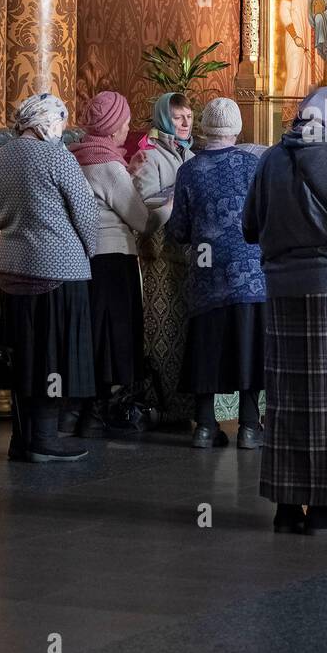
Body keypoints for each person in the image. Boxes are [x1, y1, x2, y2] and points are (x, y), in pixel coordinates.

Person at [243, 87, 327, 535]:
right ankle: (323, 507)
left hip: (282, 291)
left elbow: (249, 228)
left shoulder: (269, 160)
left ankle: (286, 508)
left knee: (286, 401)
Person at [0, 93, 98, 462]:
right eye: (60, 121)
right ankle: (46, 439)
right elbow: (84, 212)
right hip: (57, 270)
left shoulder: (2, 156)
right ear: (45, 122)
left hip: (11, 267)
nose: (62, 129)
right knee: (54, 357)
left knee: (23, 355)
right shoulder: (57, 156)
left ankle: (21, 438)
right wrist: (90, 250)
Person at [167, 98, 266, 450]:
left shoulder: (190, 170)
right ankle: (251, 428)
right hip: (251, 274)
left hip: (206, 275)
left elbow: (178, 229)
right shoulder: (252, 165)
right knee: (249, 347)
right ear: (236, 129)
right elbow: (265, 218)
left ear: (205, 127)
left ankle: (205, 427)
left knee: (206, 346)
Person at [70, 91, 162, 437]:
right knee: (115, 335)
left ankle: (77, 411)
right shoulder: (108, 166)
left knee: (93, 334)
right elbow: (141, 220)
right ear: (111, 129)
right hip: (114, 259)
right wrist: (168, 205)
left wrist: (129, 170)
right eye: (124, 124)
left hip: (86, 259)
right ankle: (97, 414)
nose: (127, 130)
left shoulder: (80, 157)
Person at [130, 92, 195, 422]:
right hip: (159, 261)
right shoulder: (149, 156)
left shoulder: (190, 154)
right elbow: (142, 208)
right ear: (164, 119)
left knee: (182, 334)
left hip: (185, 260)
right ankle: (159, 403)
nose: (185, 123)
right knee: (161, 333)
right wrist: (172, 199)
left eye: (189, 116)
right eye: (178, 117)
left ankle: (184, 406)